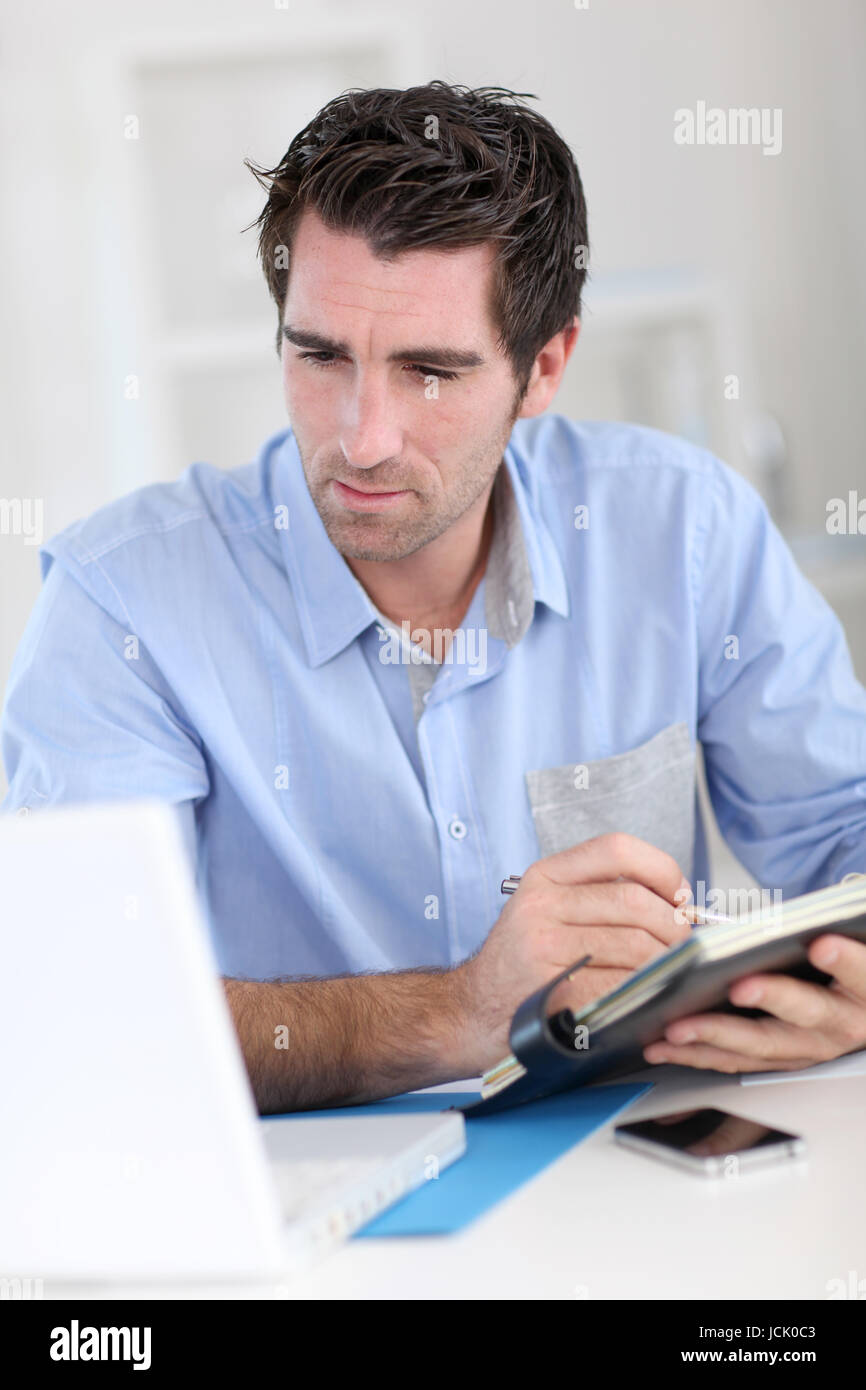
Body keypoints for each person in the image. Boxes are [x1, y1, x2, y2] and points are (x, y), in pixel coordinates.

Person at [3, 82, 866, 1112]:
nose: (361, 437)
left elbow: (843, 832)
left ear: (543, 367)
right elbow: (75, 1013)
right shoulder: (123, 604)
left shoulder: (683, 530)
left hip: (635, 1179)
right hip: (298, 1233)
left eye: (429, 372)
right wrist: (460, 1012)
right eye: (319, 355)